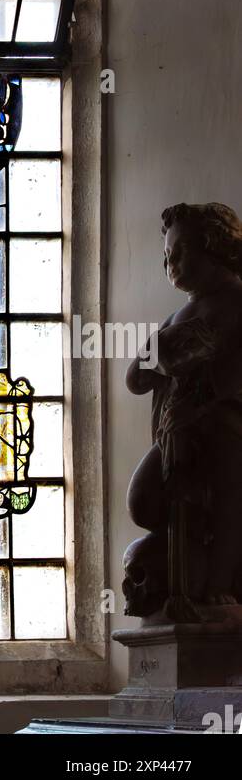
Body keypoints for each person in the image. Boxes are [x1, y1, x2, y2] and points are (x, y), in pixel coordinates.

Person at [124, 203, 242, 618]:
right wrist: (172, 350)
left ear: (213, 246)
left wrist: (185, 359)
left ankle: (218, 588)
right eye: (165, 254)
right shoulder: (180, 313)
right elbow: (136, 377)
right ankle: (189, 572)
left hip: (225, 429)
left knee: (230, 500)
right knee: (145, 501)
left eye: (179, 251)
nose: (168, 262)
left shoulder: (235, 301)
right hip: (176, 432)